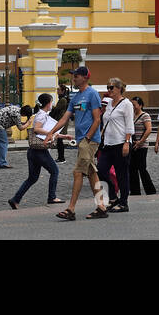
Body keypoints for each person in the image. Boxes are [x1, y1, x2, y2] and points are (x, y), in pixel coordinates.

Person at [44, 66, 106, 221]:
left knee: (78, 172)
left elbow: (97, 119)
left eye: (76, 76)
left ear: (85, 77)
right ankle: (101, 207)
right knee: (92, 174)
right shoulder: (76, 97)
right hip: (81, 141)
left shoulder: (92, 94)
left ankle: (71, 209)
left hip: (89, 140)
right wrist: (51, 132)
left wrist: (88, 138)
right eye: (74, 76)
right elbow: (65, 118)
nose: (74, 78)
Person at [10, 95, 67, 209]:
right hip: (40, 151)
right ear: (48, 103)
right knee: (54, 171)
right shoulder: (42, 115)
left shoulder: (41, 114)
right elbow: (37, 129)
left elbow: (46, 131)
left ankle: (15, 199)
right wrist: (50, 133)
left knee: (32, 178)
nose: (52, 104)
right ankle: (52, 197)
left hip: (33, 151)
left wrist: (64, 136)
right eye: (51, 102)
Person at [98, 78, 134, 212]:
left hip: (121, 143)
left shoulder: (127, 104)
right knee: (101, 170)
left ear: (119, 89)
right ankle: (113, 197)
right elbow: (105, 122)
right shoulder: (108, 104)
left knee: (121, 174)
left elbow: (129, 125)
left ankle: (124, 202)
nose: (109, 90)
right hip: (108, 143)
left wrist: (127, 142)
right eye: (107, 87)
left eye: (111, 87)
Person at [129, 96, 156, 197]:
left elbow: (149, 129)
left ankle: (150, 190)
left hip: (142, 145)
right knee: (132, 168)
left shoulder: (145, 115)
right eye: (131, 105)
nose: (133, 107)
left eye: (134, 105)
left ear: (140, 105)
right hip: (133, 145)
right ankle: (135, 191)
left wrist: (141, 141)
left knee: (142, 168)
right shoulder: (131, 116)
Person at [51, 85, 70, 163]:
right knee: (59, 140)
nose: (57, 91)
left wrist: (50, 106)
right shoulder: (62, 99)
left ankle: (61, 158)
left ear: (62, 91)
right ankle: (60, 157)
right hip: (60, 121)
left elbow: (57, 109)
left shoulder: (63, 100)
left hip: (61, 122)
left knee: (59, 140)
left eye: (58, 90)